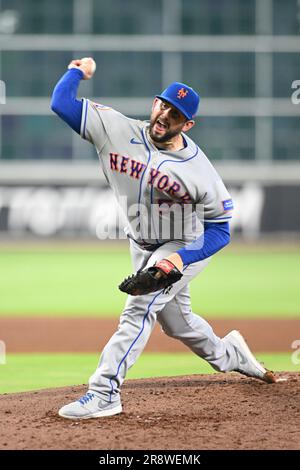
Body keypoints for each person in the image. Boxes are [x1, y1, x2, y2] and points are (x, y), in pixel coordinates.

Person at [51, 58, 276, 420]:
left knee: (138, 310)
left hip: (183, 243)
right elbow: (61, 103)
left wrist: (179, 260)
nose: (165, 115)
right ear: (155, 103)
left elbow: (220, 229)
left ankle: (104, 390)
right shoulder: (116, 129)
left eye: (176, 114)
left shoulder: (200, 171)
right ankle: (230, 354)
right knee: (177, 323)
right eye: (163, 105)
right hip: (139, 243)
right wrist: (78, 70)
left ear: (187, 124)